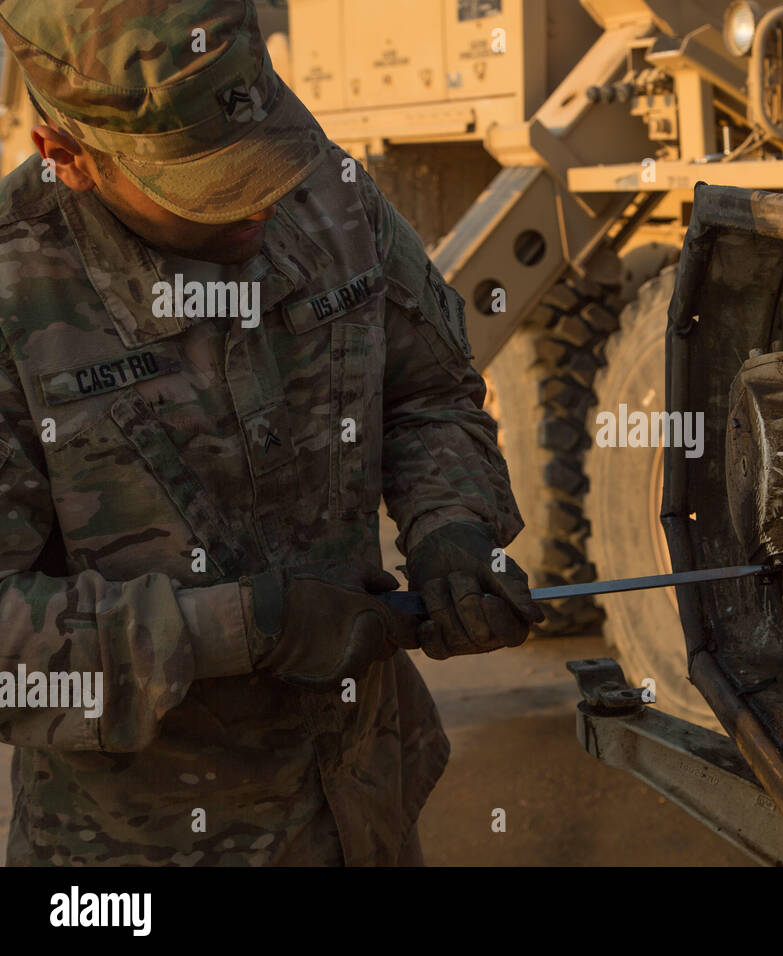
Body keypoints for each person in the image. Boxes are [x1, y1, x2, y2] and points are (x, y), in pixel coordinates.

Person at [0, 0, 542, 865]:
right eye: (213, 184)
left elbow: (428, 392)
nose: (263, 199)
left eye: (266, 157)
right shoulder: (16, 293)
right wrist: (244, 629)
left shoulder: (331, 199)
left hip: (361, 807)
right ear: (66, 157)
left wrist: (453, 530)